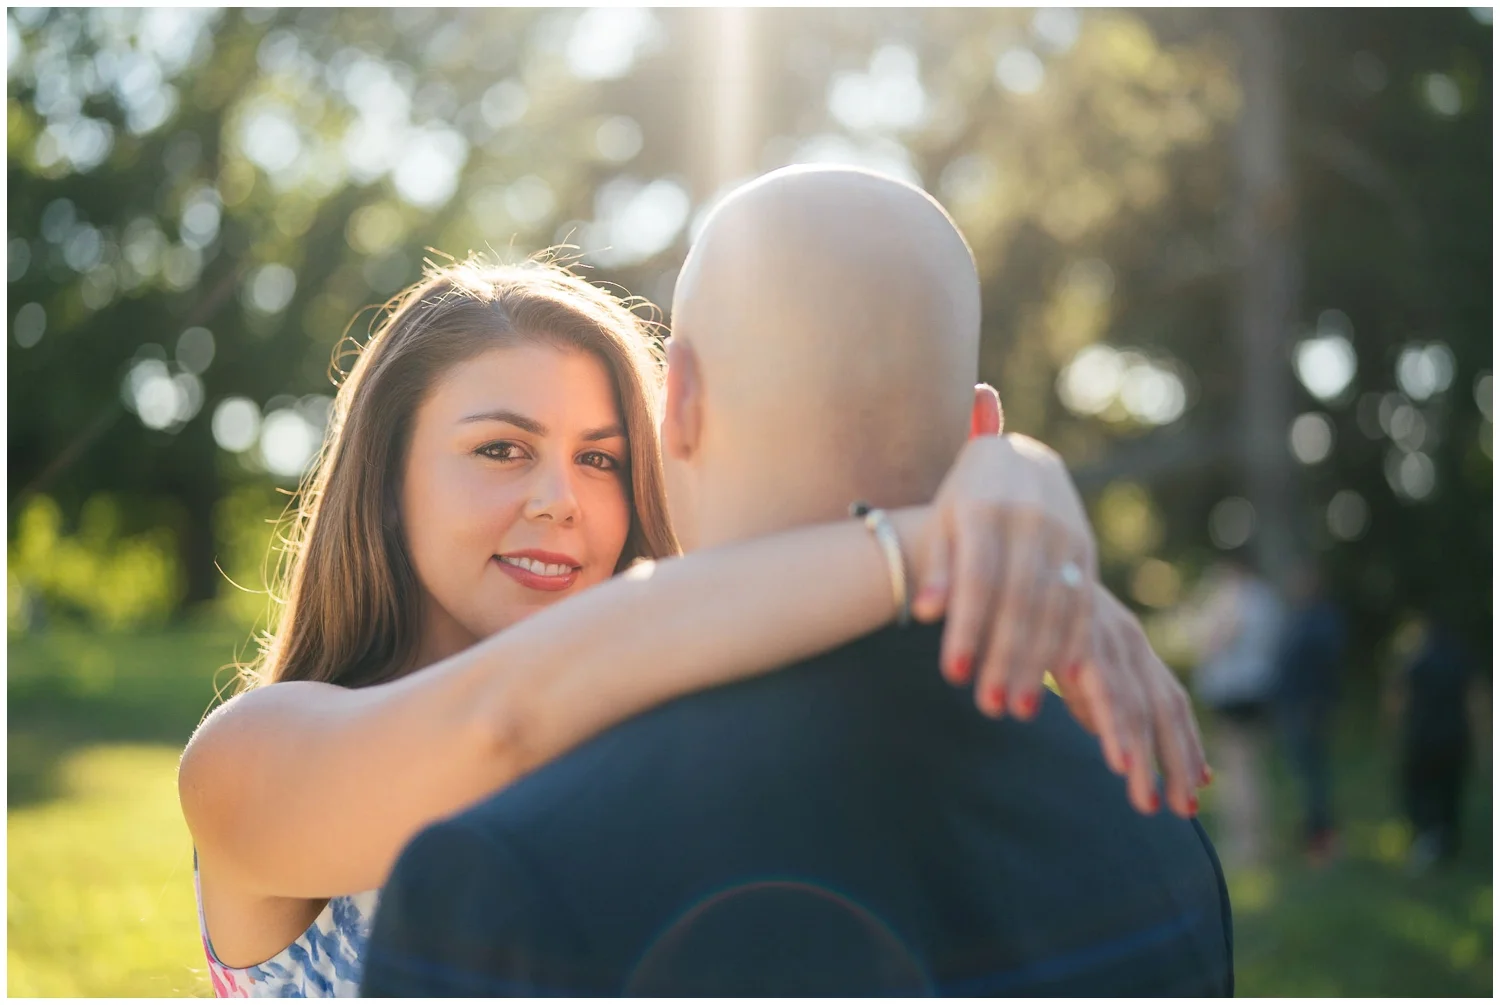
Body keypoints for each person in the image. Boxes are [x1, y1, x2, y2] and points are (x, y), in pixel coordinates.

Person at [179, 254, 1209, 994]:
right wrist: (951, 536)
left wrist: (1013, 511)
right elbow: (499, 722)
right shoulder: (247, 756)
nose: (561, 500)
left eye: (602, 458)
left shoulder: (667, 727)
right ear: (386, 479)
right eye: (501, 449)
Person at [1187, 554, 1286, 870]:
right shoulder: (1266, 598)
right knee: (1253, 765)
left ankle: (1245, 842)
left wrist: (1204, 643)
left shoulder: (1234, 598)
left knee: (1237, 768)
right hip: (1260, 688)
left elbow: (1219, 639)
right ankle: (1262, 836)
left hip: (1233, 691)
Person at [1272, 560, 1347, 866]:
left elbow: (1325, 668)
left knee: (1314, 777)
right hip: (1295, 707)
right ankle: (1313, 834)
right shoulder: (1300, 618)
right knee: (1306, 775)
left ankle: (1323, 838)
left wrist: (1316, 704)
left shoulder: (1322, 621)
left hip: (1310, 709)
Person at [1398, 612, 1479, 873]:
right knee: (1450, 790)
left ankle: (1427, 838)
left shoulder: (1418, 660)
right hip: (1455, 736)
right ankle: (1447, 841)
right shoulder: (1461, 659)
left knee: (1421, 789)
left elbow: (1400, 697)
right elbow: (1475, 701)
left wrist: (1395, 729)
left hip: (1423, 736)